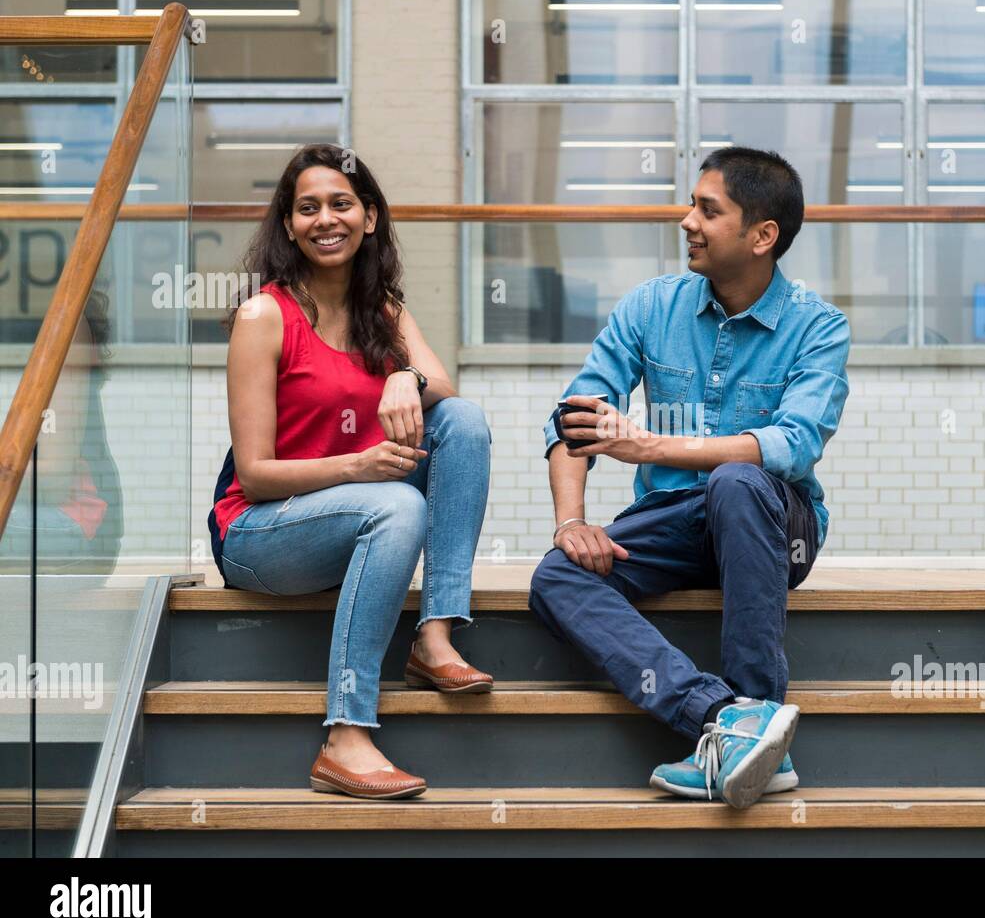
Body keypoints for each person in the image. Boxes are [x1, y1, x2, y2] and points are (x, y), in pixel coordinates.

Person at [528, 147, 850, 809]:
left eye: (708, 210)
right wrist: (570, 522)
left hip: (772, 523)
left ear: (763, 236)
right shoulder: (652, 306)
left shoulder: (819, 327)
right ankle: (731, 720)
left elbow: (791, 444)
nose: (686, 221)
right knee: (556, 574)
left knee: (736, 481)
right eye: (690, 204)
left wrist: (649, 444)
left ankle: (759, 703)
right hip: (674, 524)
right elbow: (573, 419)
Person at [207, 144, 492, 801]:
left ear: (368, 218)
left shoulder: (382, 310)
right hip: (260, 533)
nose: (324, 219)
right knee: (396, 504)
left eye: (341, 204)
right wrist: (358, 467)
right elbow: (253, 476)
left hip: (350, 519)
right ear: (288, 224)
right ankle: (345, 733)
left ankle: (436, 633)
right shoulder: (263, 316)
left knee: (463, 420)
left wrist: (404, 374)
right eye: (307, 207)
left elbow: (441, 384)